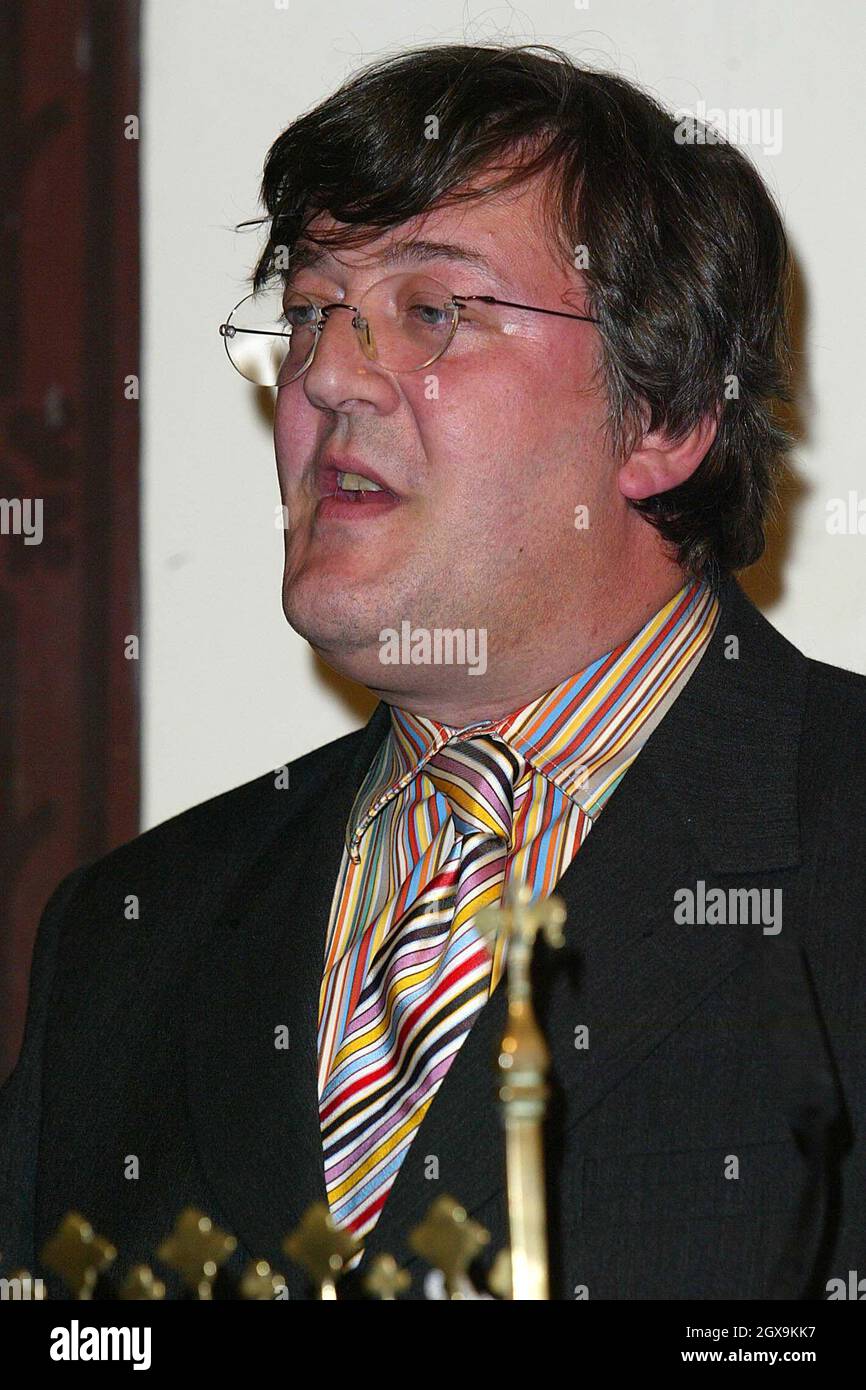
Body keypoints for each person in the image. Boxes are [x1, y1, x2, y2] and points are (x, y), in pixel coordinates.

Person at [1, 42, 864, 1301]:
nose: (325, 378)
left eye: (431, 310)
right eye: (305, 314)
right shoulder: (127, 938)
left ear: (666, 415)